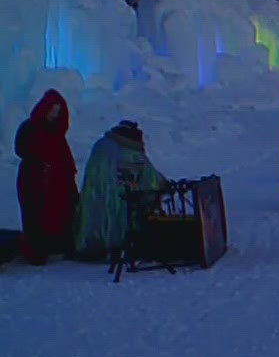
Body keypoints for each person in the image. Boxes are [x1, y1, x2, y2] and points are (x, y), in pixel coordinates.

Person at [73, 120, 169, 262]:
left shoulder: (101, 146)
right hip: (123, 205)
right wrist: (164, 185)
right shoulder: (132, 152)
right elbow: (151, 180)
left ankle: (92, 246)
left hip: (94, 201)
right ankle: (118, 246)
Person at [13, 89, 78, 264]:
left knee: (58, 212)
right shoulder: (31, 128)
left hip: (55, 181)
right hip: (35, 179)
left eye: (58, 111)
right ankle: (36, 250)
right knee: (35, 215)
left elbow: (64, 160)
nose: (54, 114)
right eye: (52, 110)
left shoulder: (57, 134)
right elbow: (22, 149)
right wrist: (39, 162)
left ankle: (55, 244)